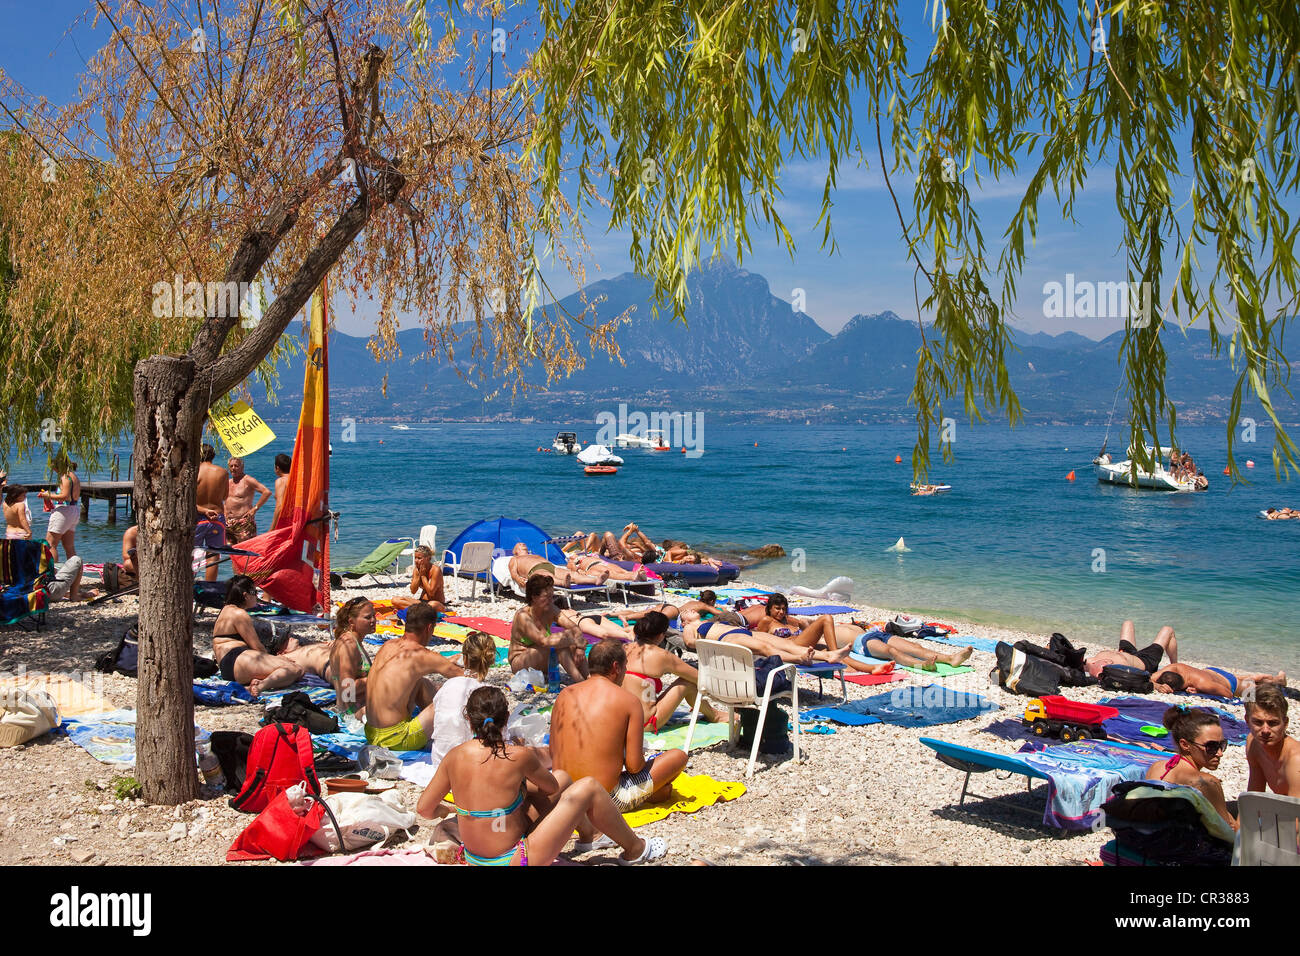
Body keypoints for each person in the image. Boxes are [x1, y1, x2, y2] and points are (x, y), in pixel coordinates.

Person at [416, 685, 666, 865]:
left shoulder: (454, 756)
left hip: (473, 857)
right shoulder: (517, 756)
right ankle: (636, 849)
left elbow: (425, 809)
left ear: (469, 720)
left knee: (552, 784)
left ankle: (589, 837)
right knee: (586, 786)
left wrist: (446, 811)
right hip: (515, 859)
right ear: (505, 721)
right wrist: (520, 786)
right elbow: (551, 788)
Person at [552, 639, 688, 814]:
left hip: (564, 793)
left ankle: (654, 793)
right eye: (625, 667)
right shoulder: (628, 701)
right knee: (678, 756)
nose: (625, 672)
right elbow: (634, 766)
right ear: (616, 667)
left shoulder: (564, 694)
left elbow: (554, 752)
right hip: (606, 799)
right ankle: (654, 793)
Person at [364, 602, 464, 751]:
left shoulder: (388, 645)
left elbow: (406, 670)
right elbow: (465, 679)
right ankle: (459, 735)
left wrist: (446, 662)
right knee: (448, 695)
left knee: (420, 681)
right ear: (429, 628)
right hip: (397, 740)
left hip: (372, 734)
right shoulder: (421, 654)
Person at [621, 611, 722, 731]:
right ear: (661, 635)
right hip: (645, 724)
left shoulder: (624, 649)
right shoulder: (662, 655)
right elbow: (700, 678)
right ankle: (715, 716)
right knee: (687, 682)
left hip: (621, 722)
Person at [1143, 705, 1237, 831]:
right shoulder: (1206, 783)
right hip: (1181, 846)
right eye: (1211, 746)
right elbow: (1226, 834)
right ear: (1185, 744)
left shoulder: (1157, 767)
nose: (1220, 753)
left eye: (1222, 745)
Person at [211, 575, 305, 695]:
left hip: (228, 664)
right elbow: (257, 647)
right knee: (295, 669)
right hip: (236, 659)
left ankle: (258, 682)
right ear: (245, 595)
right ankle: (260, 687)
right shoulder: (239, 614)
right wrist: (275, 659)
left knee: (290, 668)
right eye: (254, 592)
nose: (257, 596)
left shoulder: (226, 609)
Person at [427, 632, 496, 775]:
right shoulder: (488, 694)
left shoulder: (448, 685)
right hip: (467, 764)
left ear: (464, 659)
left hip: (439, 760)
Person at [509, 574, 589, 682]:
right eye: (547, 597)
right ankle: (581, 681)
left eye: (552, 597)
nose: (551, 601)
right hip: (520, 662)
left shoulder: (550, 609)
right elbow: (543, 641)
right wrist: (574, 641)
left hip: (541, 656)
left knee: (568, 636)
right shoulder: (523, 616)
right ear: (534, 597)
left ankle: (589, 677)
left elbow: (574, 627)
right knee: (561, 642)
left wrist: (579, 647)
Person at [681, 618, 852, 665]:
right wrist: (713, 647)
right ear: (684, 621)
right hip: (727, 638)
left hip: (744, 632)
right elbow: (689, 643)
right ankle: (798, 659)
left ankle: (829, 655)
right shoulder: (689, 626)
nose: (690, 610)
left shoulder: (707, 621)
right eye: (686, 612)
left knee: (788, 644)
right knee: (765, 648)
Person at [1245, 684, 1300, 796]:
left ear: (1285, 723)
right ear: (1247, 720)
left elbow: (1295, 811)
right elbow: (1255, 796)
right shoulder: (1253, 743)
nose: (1265, 730)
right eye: (1258, 722)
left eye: (1272, 723)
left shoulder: (1295, 759)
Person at [848, 625, 971, 672]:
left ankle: (951, 659)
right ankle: (922, 665)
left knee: (915, 647)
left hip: (874, 633)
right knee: (892, 652)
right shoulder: (829, 629)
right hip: (860, 643)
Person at [1085, 620, 1179, 677]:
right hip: (1146, 661)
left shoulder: (1092, 661)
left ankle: (1176, 667)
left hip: (1126, 653)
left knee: (1127, 623)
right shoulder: (1116, 669)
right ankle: (1176, 667)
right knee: (1168, 630)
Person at [328, 597, 375, 712]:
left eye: (374, 615)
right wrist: (377, 678)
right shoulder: (349, 645)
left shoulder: (355, 641)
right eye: (367, 617)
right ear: (351, 621)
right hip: (353, 714)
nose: (373, 620)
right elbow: (347, 690)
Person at [1150, 661, 1286, 698]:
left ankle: (1278, 682)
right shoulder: (1173, 668)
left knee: (1255, 690)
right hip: (1211, 672)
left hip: (1228, 683)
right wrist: (1156, 685)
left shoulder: (1202, 684)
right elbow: (1150, 678)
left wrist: (1200, 692)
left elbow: (1228, 694)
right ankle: (1268, 678)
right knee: (1251, 679)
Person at [36, 452, 80, 564]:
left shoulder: (64, 477)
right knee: (69, 546)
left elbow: (65, 496)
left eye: (54, 468)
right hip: (73, 510)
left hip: (63, 511)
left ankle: (52, 572)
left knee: (50, 544)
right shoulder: (74, 476)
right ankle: (75, 571)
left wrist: (48, 495)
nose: (53, 470)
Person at [195, 444, 229, 582]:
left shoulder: (194, 471)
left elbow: (187, 498)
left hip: (197, 517)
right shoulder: (223, 472)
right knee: (213, 556)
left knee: (190, 554)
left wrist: (204, 510)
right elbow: (225, 496)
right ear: (213, 456)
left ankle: (188, 587)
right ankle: (210, 588)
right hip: (217, 517)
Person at [508, 542, 607, 588]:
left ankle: (596, 580)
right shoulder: (515, 559)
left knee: (573, 575)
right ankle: (563, 583)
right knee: (547, 576)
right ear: (515, 551)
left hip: (551, 566)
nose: (523, 544)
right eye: (519, 544)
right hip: (534, 570)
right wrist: (518, 579)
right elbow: (513, 572)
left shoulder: (535, 555)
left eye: (524, 543)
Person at [223, 457, 271, 545]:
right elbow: (225, 500)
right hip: (228, 523)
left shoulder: (247, 480)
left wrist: (255, 509)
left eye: (236, 466)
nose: (233, 468)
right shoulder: (228, 482)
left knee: (245, 551)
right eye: (231, 466)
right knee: (231, 552)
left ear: (242, 467)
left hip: (243, 523)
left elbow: (266, 492)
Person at [393, 545, 451, 612]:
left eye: (419, 558)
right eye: (415, 558)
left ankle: (412, 610)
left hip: (437, 603)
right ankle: (418, 611)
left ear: (428, 558)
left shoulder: (435, 570)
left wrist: (423, 576)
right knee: (395, 600)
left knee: (432, 605)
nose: (416, 561)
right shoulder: (417, 569)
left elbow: (431, 593)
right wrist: (418, 576)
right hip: (421, 602)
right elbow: (413, 591)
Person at [270, 452, 292, 528]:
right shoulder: (296, 480)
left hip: (285, 522)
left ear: (277, 468)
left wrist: (271, 529)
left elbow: (279, 506)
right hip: (297, 521)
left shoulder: (281, 481)